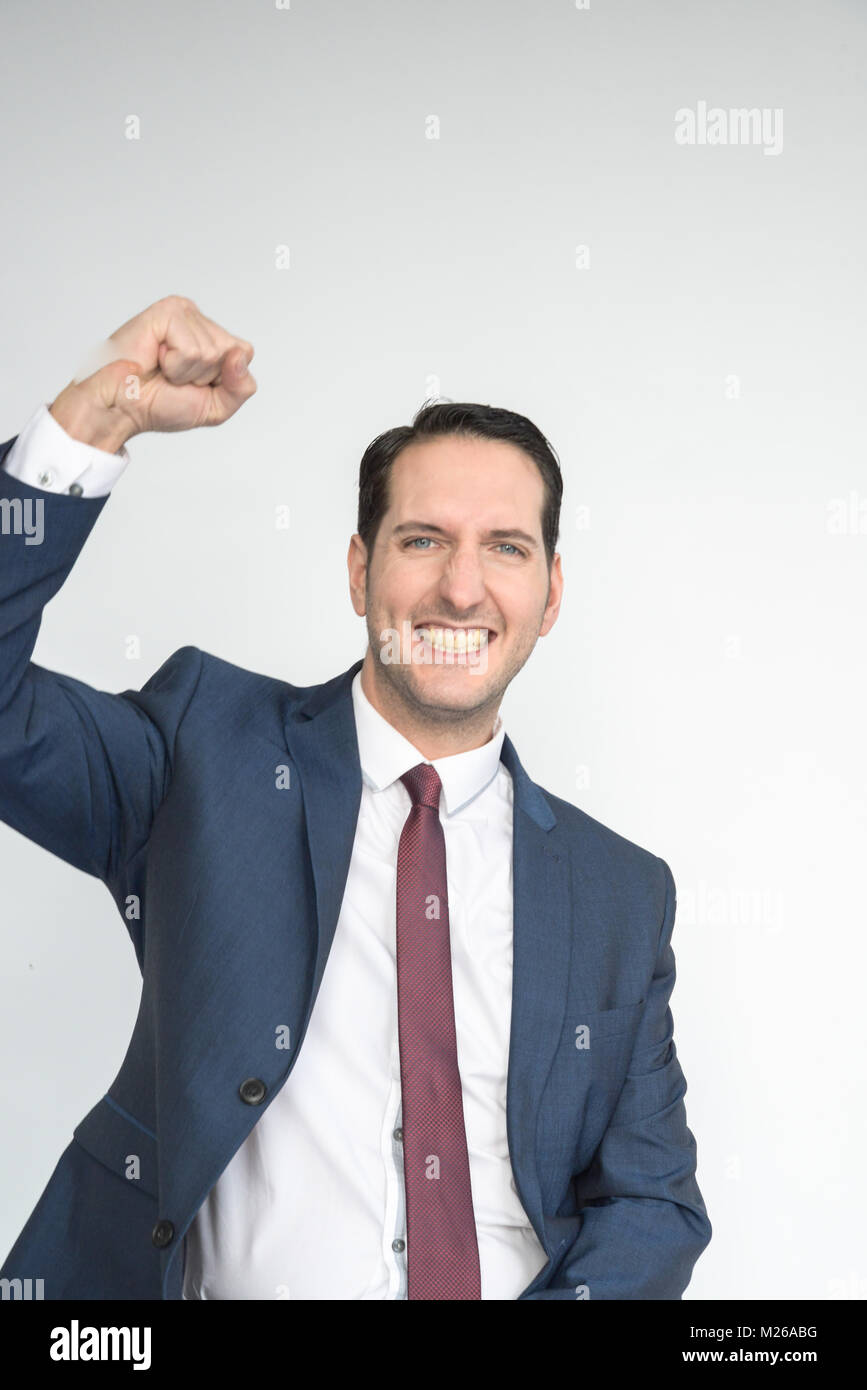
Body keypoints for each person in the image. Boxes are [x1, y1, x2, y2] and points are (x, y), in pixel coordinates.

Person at [0, 296, 711, 1300]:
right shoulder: (204, 750)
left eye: (505, 548)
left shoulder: (617, 894)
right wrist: (97, 414)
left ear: (550, 595)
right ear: (358, 569)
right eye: (422, 539)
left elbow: (650, 1202)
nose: (462, 590)